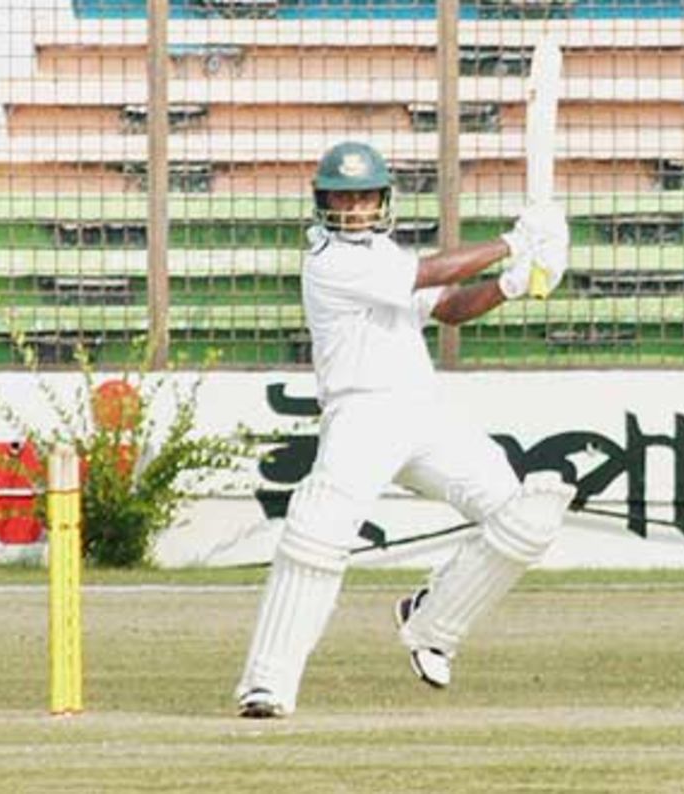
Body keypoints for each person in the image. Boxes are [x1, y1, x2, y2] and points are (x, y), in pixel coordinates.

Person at [236, 141, 576, 718]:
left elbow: (448, 307)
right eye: (342, 196)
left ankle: (433, 622)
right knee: (316, 537)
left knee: (525, 519)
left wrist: (515, 283)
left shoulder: (382, 253)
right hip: (361, 412)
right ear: (323, 202)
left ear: (381, 200)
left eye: (364, 195)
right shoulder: (330, 259)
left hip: (422, 410)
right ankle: (267, 683)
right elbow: (430, 271)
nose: (354, 207)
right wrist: (515, 242)